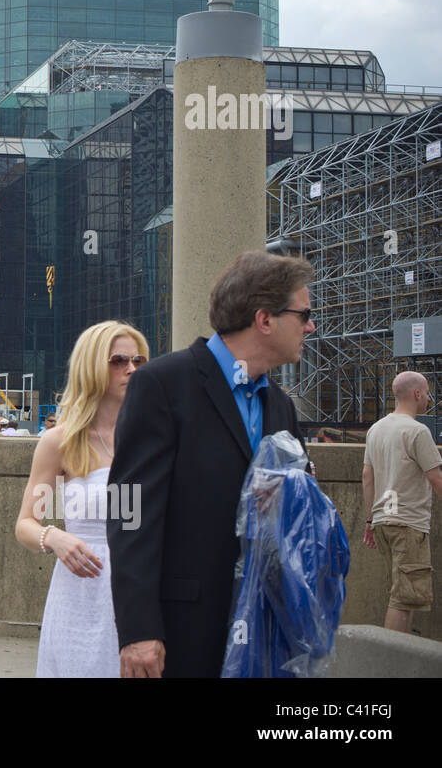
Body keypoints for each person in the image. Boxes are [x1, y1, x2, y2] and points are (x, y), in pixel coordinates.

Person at [108, 250, 314, 678]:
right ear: (265, 319)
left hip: (268, 632)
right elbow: (127, 511)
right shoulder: (162, 383)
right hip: (184, 631)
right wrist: (138, 629)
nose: (311, 326)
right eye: (304, 314)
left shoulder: (281, 405)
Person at [15, 321, 149, 678]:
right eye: (118, 360)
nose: (131, 369)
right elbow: (26, 523)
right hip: (80, 593)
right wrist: (54, 537)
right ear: (91, 366)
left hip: (142, 589)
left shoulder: (156, 436)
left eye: (138, 360)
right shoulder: (60, 441)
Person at [362, 371, 442, 633]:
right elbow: (435, 477)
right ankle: (390, 661)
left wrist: (370, 520)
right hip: (408, 522)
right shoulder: (417, 431)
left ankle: (399, 653)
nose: (429, 399)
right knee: (402, 599)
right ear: (417, 394)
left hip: (383, 521)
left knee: (402, 595)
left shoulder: (376, 429)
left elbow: (367, 476)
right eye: (428, 393)